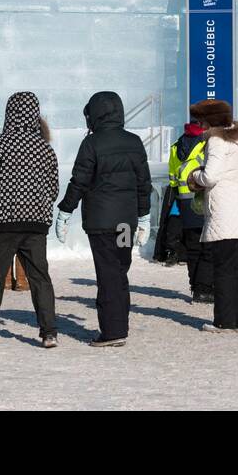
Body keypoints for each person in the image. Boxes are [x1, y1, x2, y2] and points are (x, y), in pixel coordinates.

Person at [56, 91, 152, 347]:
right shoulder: (134, 142)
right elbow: (144, 183)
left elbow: (79, 182)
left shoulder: (92, 143)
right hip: (125, 223)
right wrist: (144, 216)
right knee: (120, 273)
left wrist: (65, 211)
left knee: (108, 275)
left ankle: (112, 332)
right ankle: (120, 325)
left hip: (101, 223)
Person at [0, 92, 59, 346]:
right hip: (36, 224)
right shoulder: (45, 149)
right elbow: (53, 189)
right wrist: (37, 207)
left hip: (3, 222)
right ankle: (49, 332)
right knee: (40, 277)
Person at [177, 100, 238, 330]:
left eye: (201, 120)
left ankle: (224, 321)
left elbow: (210, 176)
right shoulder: (237, 140)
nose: (199, 125)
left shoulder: (216, 140)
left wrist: (194, 177)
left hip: (223, 210)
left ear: (210, 120)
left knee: (221, 267)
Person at [163, 100, 216, 303]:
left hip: (184, 202)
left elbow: (171, 176)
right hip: (203, 198)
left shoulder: (178, 144)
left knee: (193, 247)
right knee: (207, 247)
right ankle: (205, 289)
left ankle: (195, 287)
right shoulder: (206, 142)